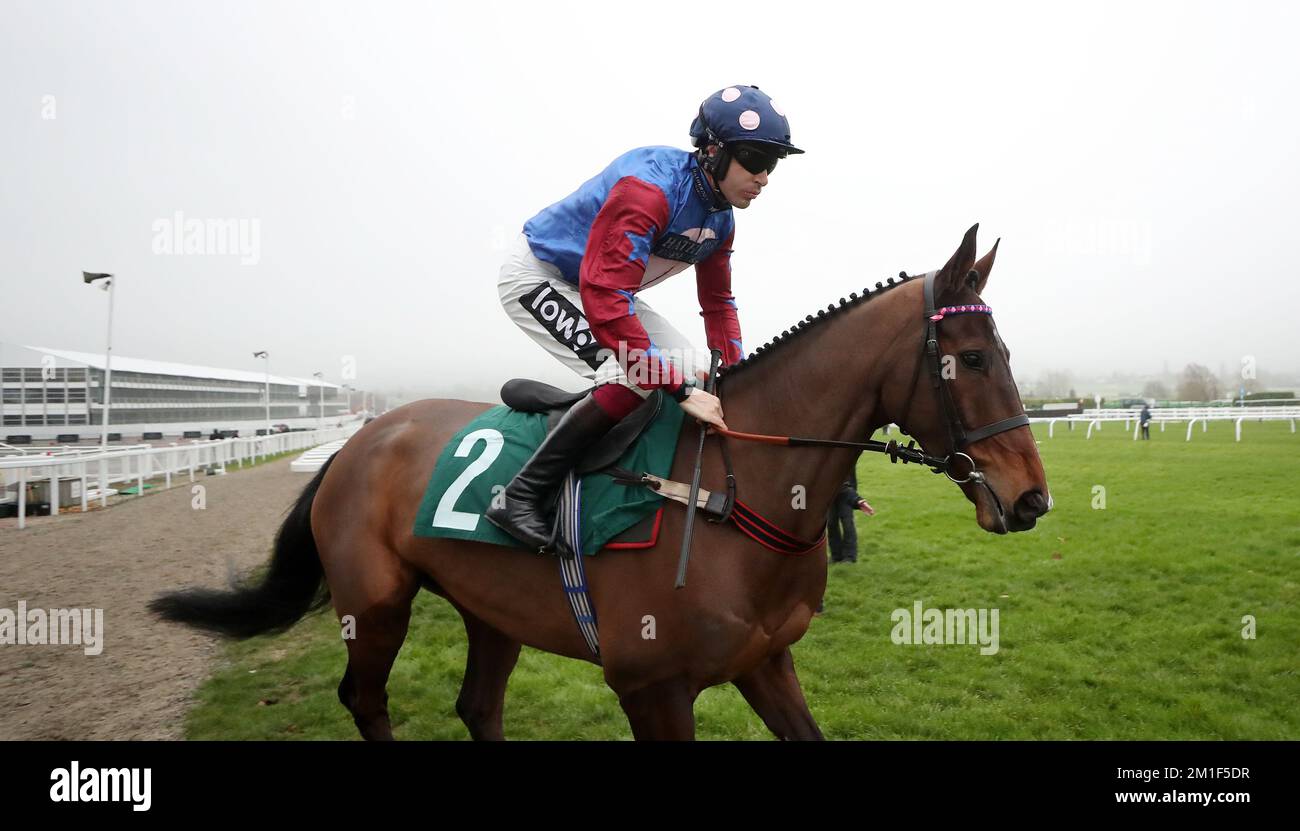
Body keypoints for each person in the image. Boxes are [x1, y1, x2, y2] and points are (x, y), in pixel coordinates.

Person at [487, 85, 804, 552]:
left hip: (604, 287)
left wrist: (733, 373)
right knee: (641, 375)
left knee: (699, 371)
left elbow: (718, 305)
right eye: (756, 160)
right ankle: (520, 496)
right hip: (543, 276)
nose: (764, 177)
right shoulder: (648, 190)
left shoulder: (721, 219)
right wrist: (676, 390)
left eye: (773, 164)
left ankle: (601, 415)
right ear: (713, 152)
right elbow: (606, 300)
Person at [827, 469, 874, 564]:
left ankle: (849, 556)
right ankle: (836, 556)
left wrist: (855, 498)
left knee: (847, 523)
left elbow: (849, 476)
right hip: (829, 494)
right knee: (831, 524)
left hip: (846, 492)